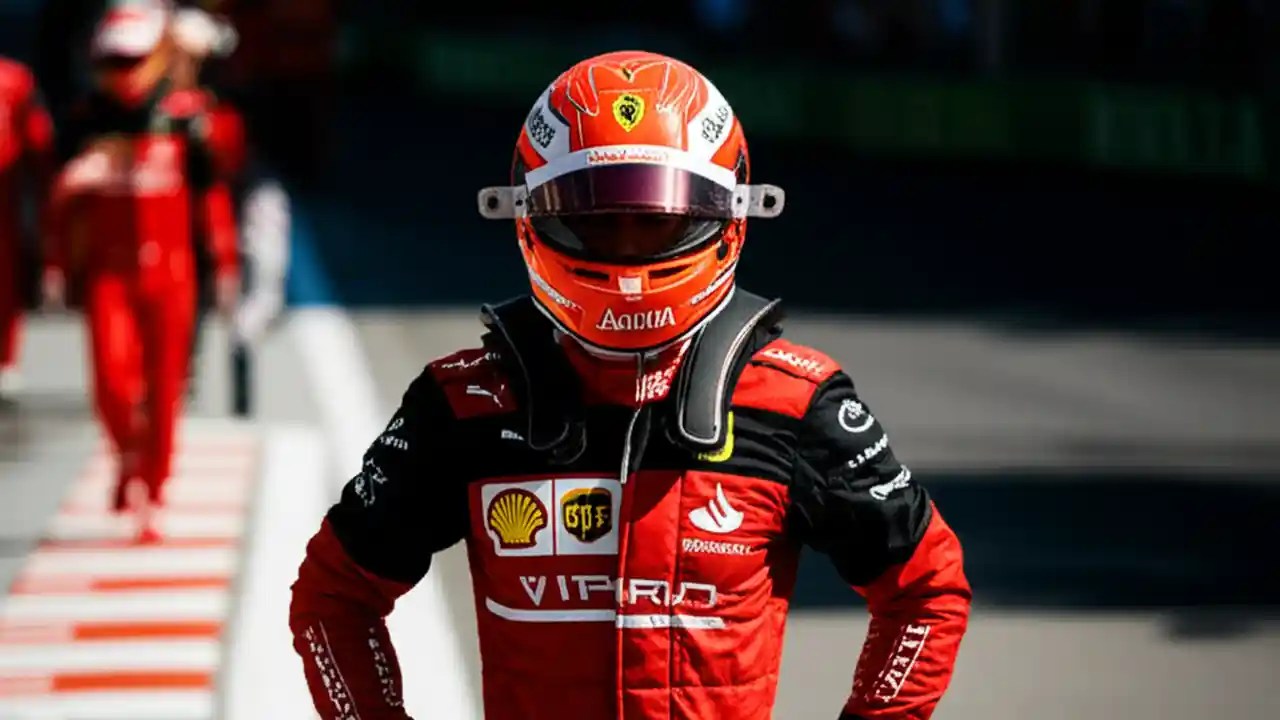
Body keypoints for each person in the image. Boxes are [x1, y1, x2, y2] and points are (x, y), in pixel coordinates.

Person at [289, 50, 971, 719]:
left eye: (656, 221)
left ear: (729, 219)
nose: (626, 249)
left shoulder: (794, 405)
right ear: (529, 217)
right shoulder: (464, 405)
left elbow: (927, 590)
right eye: (594, 221)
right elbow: (333, 596)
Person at [44, 1, 239, 541]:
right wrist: (58, 261)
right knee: (110, 382)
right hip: (111, 275)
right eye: (111, 61)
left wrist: (224, 260)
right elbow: (59, 202)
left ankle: (151, 493)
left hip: (172, 276)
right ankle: (127, 452)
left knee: (164, 391)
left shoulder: (185, 117)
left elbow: (212, 192)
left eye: (131, 60)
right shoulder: (85, 121)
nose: (120, 73)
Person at [0, 58, 54, 401]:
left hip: (3, 200)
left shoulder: (14, 79)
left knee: (4, 281)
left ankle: (5, 359)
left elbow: (38, 140)